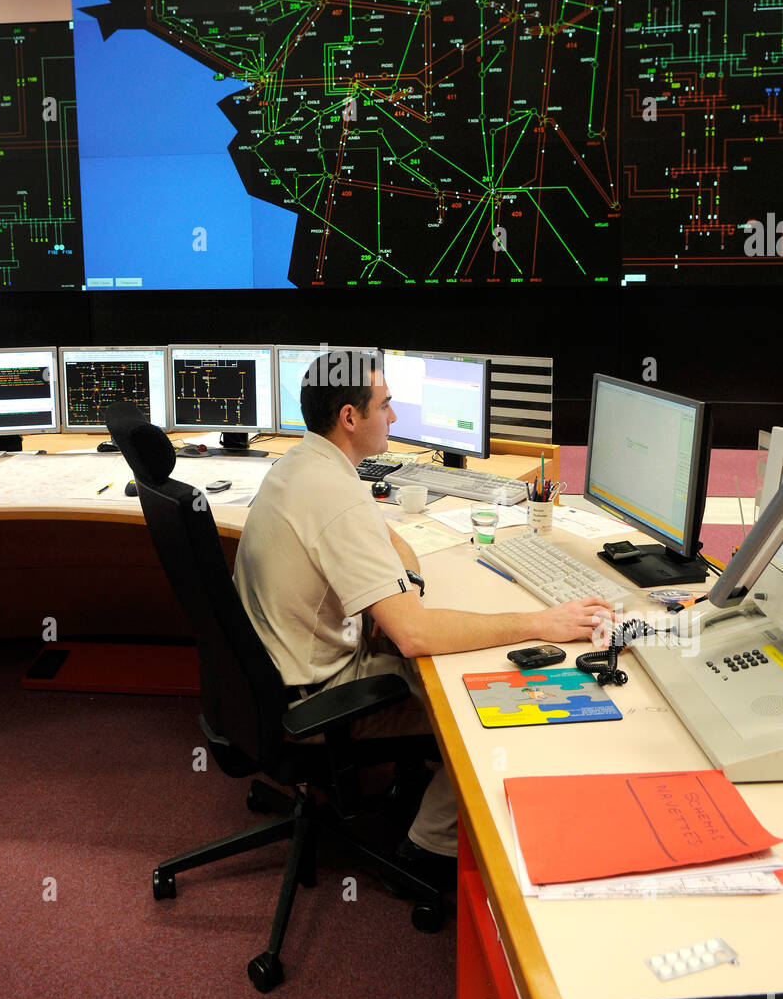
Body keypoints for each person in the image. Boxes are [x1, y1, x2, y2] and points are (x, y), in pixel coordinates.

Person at [233, 350, 613, 890]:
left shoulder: (303, 464)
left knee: (462, 645)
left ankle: (420, 799)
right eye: (385, 406)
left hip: (279, 673)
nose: (394, 418)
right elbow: (413, 635)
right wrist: (539, 622)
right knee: (496, 696)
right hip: (318, 696)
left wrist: (404, 585)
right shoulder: (332, 494)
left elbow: (392, 541)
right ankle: (426, 847)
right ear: (349, 417)